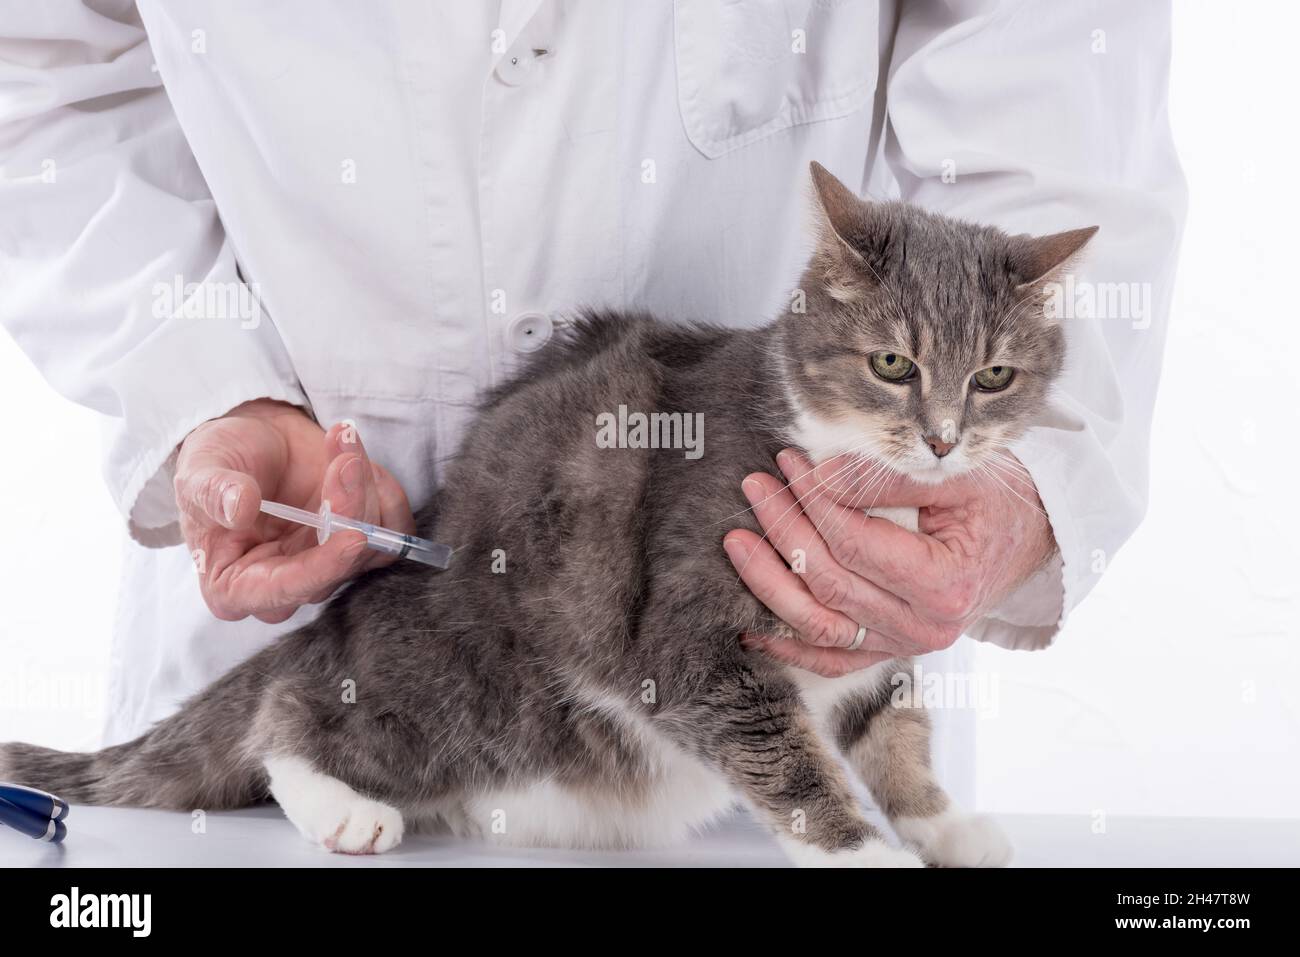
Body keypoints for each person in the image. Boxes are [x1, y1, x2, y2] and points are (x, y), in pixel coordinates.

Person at [0, 0, 1185, 813]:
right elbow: (46, 60)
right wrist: (210, 384)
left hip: (790, 635)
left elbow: (1053, 75)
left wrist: (1012, 492)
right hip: (298, 630)